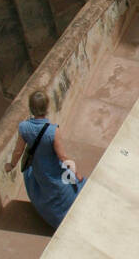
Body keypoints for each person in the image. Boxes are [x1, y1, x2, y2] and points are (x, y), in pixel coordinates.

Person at [5, 88, 85, 230]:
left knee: (45, 194)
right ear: (47, 108)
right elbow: (63, 157)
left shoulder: (24, 128)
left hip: (38, 170)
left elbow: (18, 150)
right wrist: (76, 173)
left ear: (31, 108)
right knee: (65, 190)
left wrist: (11, 165)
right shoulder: (53, 130)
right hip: (53, 168)